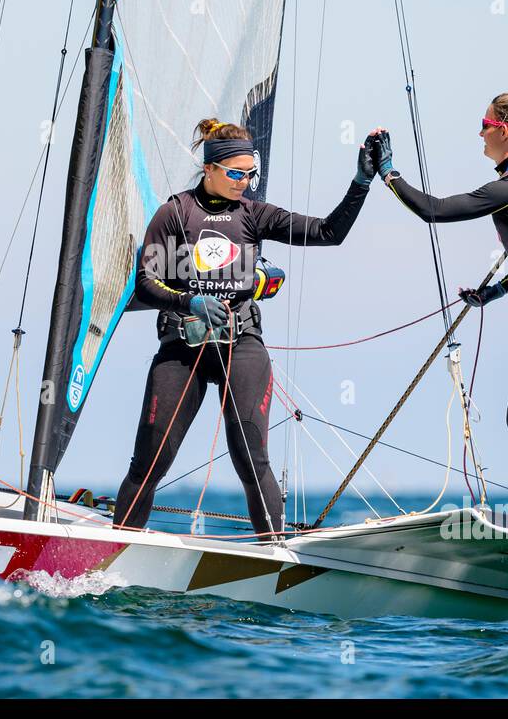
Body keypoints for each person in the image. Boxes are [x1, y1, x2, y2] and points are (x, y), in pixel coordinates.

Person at [113, 118, 375, 539]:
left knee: (252, 459)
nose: (245, 183)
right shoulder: (175, 212)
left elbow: (329, 233)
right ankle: (114, 552)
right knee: (150, 461)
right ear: (210, 168)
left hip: (242, 345)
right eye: (236, 174)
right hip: (183, 348)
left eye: (251, 174)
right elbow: (144, 280)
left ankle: (274, 555)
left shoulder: (254, 215)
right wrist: (188, 300)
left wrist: (361, 182)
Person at [367, 93, 508, 525]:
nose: (480, 133)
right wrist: (495, 291)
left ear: (505, 131)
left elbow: (435, 211)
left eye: (485, 124)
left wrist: (388, 173)